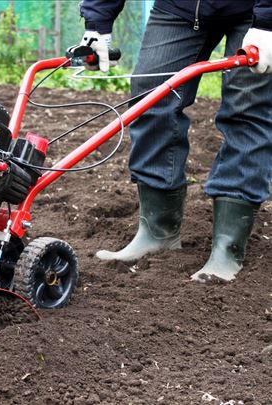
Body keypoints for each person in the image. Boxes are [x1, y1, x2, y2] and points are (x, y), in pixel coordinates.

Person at [79, 0, 272, 282]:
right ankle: (158, 232)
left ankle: (227, 248)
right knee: (151, 96)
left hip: (255, 9)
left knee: (246, 110)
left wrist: (267, 21)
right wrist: (97, 23)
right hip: (179, 6)